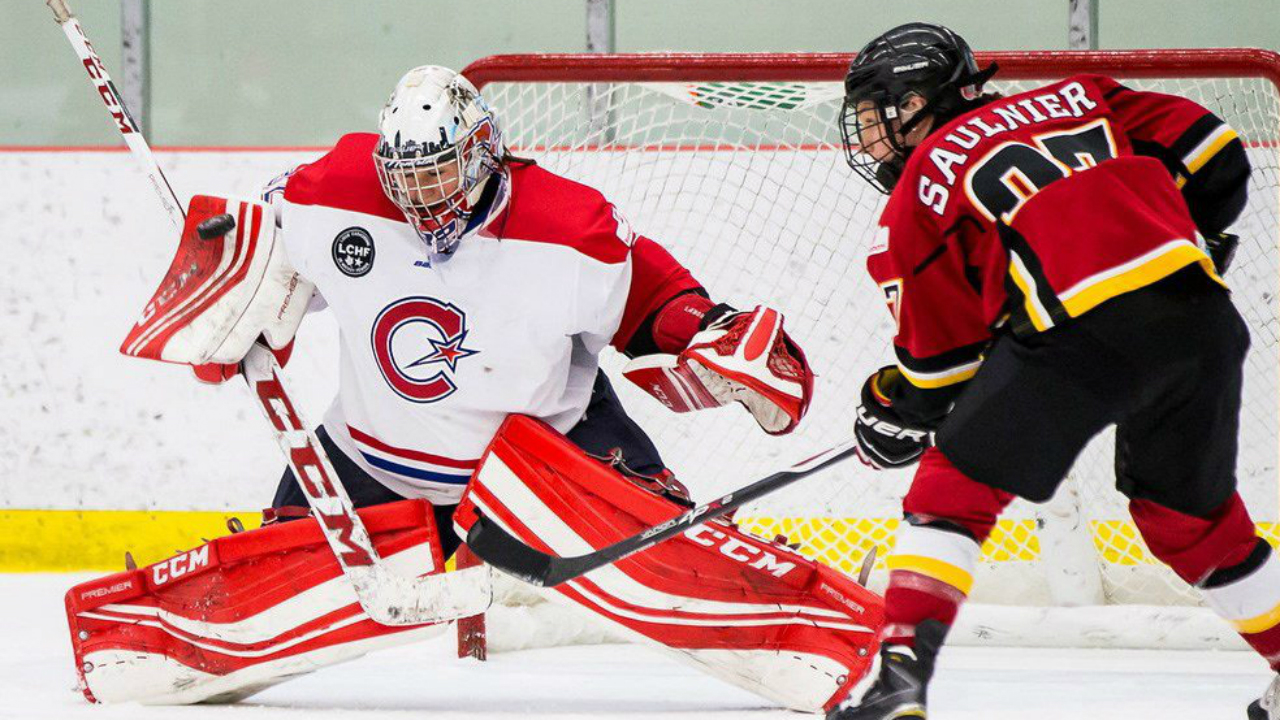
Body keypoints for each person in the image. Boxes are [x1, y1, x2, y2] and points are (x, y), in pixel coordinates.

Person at [71, 65, 884, 712]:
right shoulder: (335, 192)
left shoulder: (569, 228)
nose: (421, 197)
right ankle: (145, 633)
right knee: (273, 587)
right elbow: (268, 256)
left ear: (485, 150)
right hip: (372, 459)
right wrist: (224, 288)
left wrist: (708, 335)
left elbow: (653, 301)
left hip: (547, 456)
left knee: (671, 565)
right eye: (406, 178)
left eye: (439, 173)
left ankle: (819, 624)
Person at [832, 22, 1279, 720]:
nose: (870, 141)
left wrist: (889, 410)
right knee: (1189, 521)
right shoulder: (1082, 95)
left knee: (950, 492)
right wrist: (1186, 235)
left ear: (917, 103)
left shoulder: (921, 186)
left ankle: (900, 680)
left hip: (1080, 333)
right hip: (1202, 321)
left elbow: (940, 369)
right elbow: (1216, 154)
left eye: (874, 118)